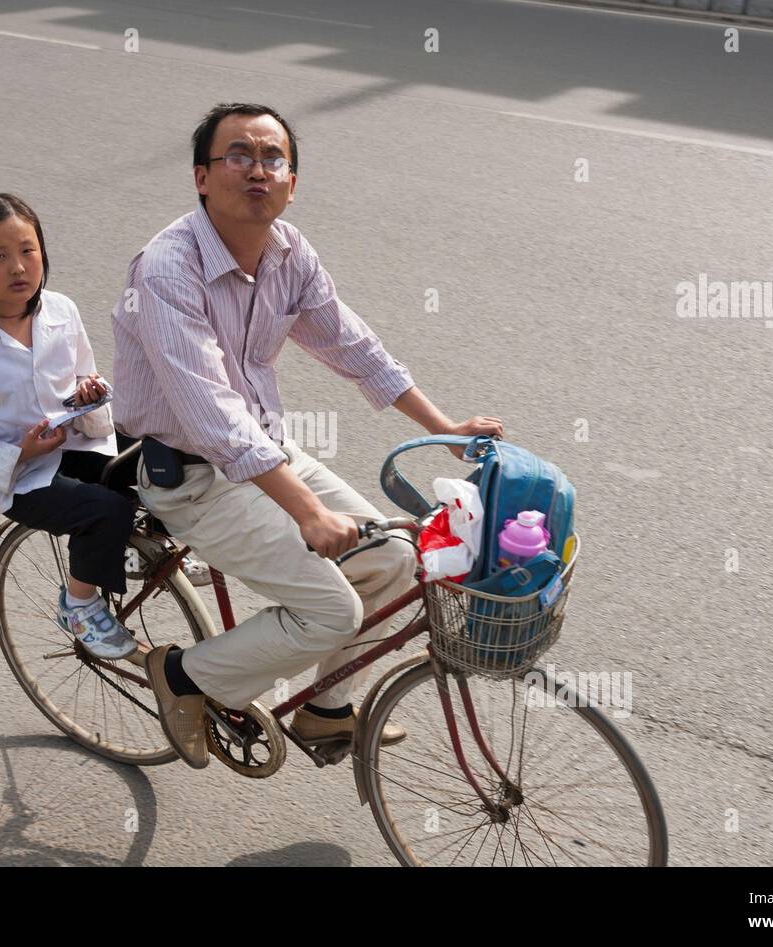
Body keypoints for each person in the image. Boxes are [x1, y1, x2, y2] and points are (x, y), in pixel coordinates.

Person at [112, 102, 505, 768]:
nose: (257, 170)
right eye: (238, 155)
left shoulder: (290, 253)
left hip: (266, 454)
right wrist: (309, 513)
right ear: (202, 177)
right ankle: (181, 676)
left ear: (292, 181)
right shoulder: (166, 270)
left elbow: (353, 346)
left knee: (395, 562)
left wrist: (444, 429)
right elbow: (213, 415)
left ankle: (324, 710)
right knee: (331, 611)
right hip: (194, 475)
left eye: (273, 158)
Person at [0, 193, 138, 660]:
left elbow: (85, 373)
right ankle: (78, 605)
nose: (18, 267)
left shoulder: (62, 310)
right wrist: (19, 452)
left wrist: (89, 391)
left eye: (27, 250)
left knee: (157, 445)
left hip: (81, 441)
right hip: (23, 478)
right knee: (105, 510)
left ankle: (144, 545)